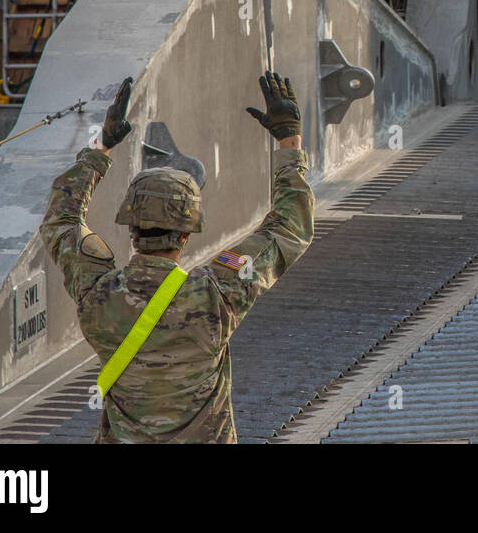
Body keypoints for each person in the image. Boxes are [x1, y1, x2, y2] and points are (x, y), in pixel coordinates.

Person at [40, 71, 313, 443]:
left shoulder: (97, 293)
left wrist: (100, 147)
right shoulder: (218, 293)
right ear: (187, 233)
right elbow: (288, 228)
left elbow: (61, 218)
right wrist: (289, 141)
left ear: (131, 228)